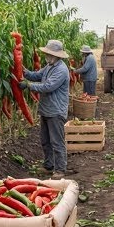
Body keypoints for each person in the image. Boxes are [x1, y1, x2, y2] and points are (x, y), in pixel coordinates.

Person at [21, 40, 74, 178]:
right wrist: (24, 71)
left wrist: (28, 85)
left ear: (56, 55)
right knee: (45, 140)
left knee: (57, 141)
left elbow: (47, 86)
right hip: (46, 109)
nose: (46, 56)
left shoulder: (61, 70)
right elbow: (37, 75)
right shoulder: (49, 66)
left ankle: (60, 169)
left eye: (48, 54)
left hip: (56, 111)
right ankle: (49, 165)